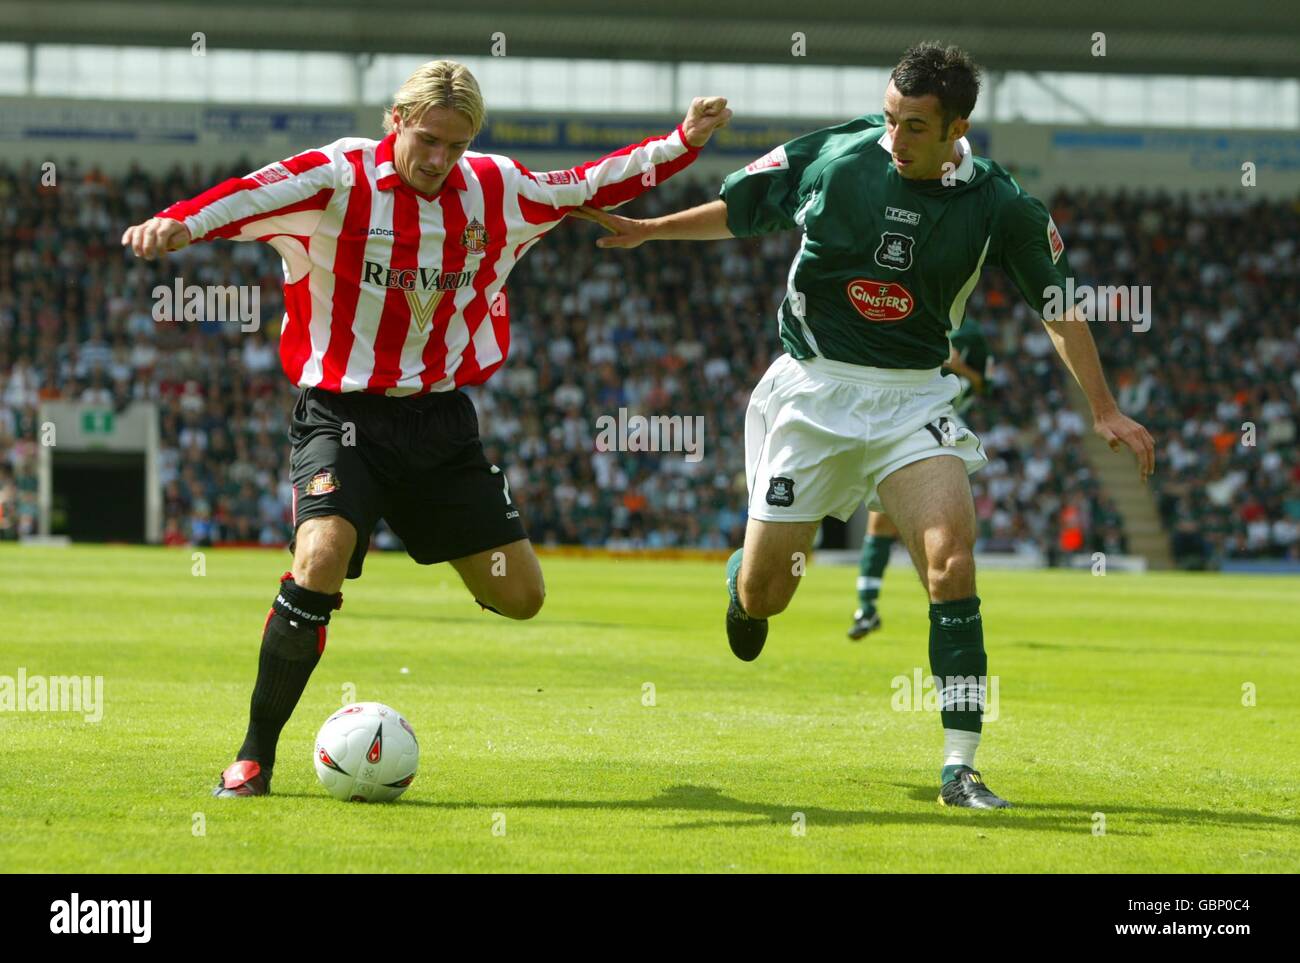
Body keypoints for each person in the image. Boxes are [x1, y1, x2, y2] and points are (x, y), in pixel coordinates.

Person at [122, 59, 731, 798]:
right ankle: (254, 756)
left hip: (441, 424)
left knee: (522, 596)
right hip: (343, 415)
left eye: (456, 144)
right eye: (428, 140)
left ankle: (426, 528)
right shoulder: (338, 178)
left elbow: (588, 184)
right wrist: (179, 222)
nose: (440, 159)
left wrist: (681, 142)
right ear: (396, 122)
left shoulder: (496, 188)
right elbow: (250, 193)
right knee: (318, 559)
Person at [574, 42, 1154, 809]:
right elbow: (745, 210)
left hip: (914, 397)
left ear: (958, 127)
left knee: (950, 562)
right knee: (769, 593)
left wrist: (1104, 407)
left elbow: (1057, 306)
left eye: (915, 126)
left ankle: (960, 764)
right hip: (814, 393)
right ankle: (742, 589)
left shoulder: (1002, 205)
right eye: (890, 118)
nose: (896, 137)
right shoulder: (840, 155)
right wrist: (653, 230)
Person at [848, 316, 991, 640]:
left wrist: (958, 368)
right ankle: (867, 608)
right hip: (902, 425)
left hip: (941, 429)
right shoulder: (909, 314)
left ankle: (946, 606)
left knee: (944, 532)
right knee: (880, 521)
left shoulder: (970, 334)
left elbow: (987, 383)